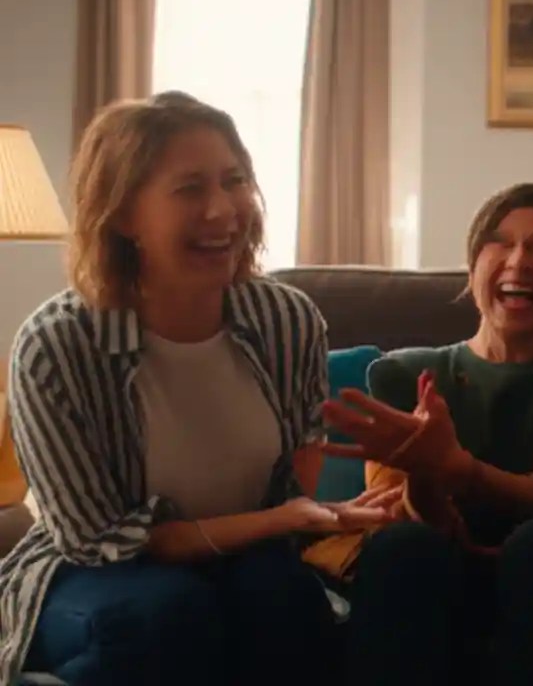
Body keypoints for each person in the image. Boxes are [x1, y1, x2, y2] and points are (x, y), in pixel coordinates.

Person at [0, 92, 396, 686]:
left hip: (247, 557)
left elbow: (292, 486)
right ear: (124, 214)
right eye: (189, 189)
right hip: (97, 573)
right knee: (164, 613)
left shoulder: (287, 320)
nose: (224, 210)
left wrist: (286, 521)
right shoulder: (55, 348)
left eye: (234, 181)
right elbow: (97, 541)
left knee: (284, 599)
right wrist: (279, 521)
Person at [318, 183, 533, 685]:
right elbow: (397, 518)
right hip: (435, 570)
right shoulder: (402, 376)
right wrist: (425, 470)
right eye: (499, 242)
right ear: (473, 265)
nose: (518, 260)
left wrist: (464, 470)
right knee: (403, 549)